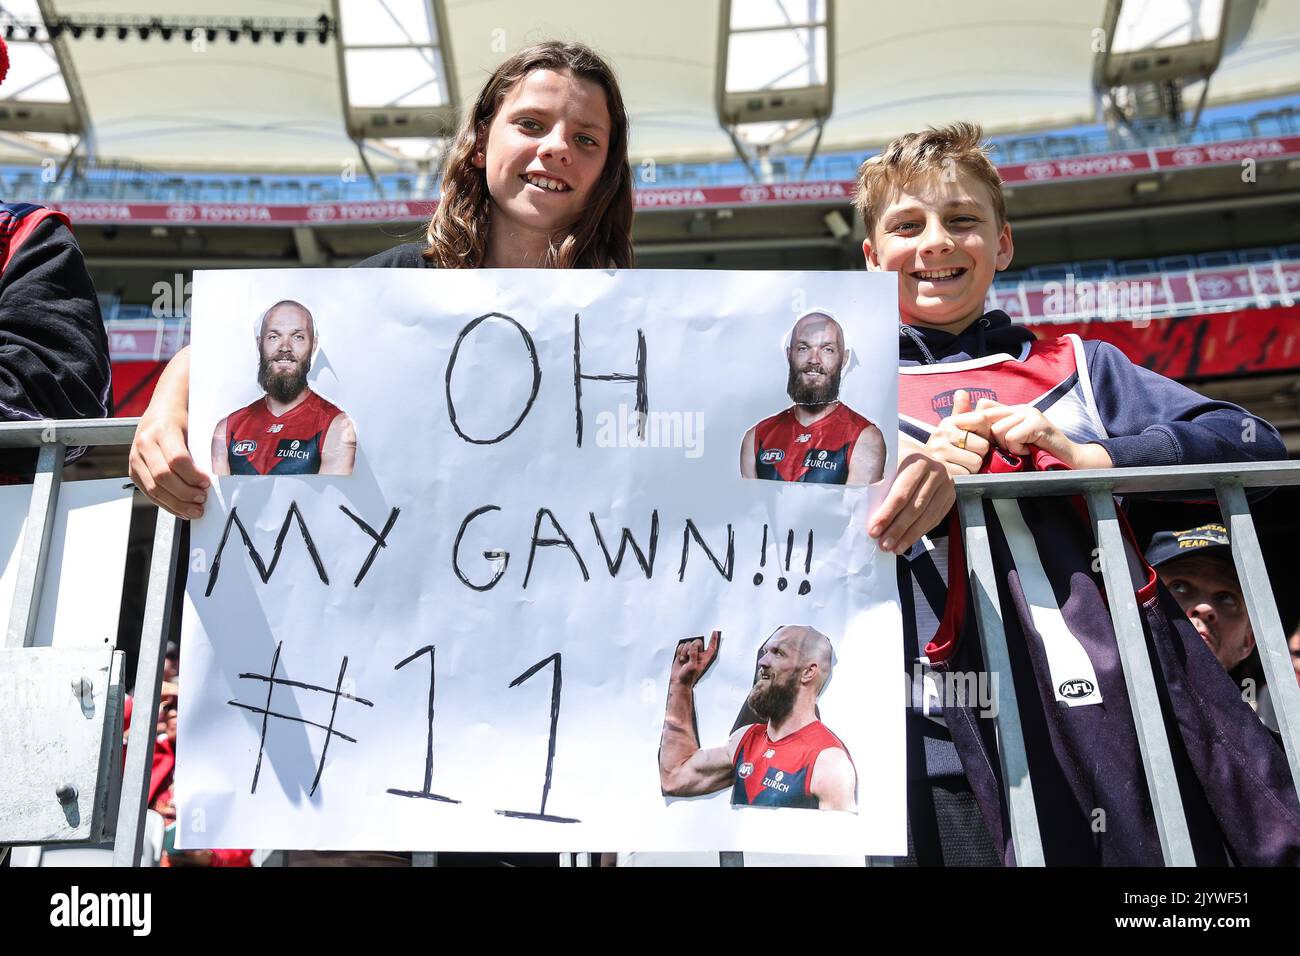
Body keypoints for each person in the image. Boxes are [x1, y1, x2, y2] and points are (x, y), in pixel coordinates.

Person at [856, 122, 1300, 865]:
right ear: (871, 258)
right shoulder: (837, 383)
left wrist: (1092, 455)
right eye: (908, 225)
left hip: (1093, 728)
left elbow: (1250, 440)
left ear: (1002, 245)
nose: (935, 241)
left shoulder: (1080, 368)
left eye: (962, 219)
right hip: (916, 737)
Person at [658, 626, 857, 812]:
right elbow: (674, 777)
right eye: (765, 652)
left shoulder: (828, 763)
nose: (763, 662)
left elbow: (840, 846)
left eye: (778, 653)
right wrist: (681, 684)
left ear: (808, 672)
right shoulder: (745, 740)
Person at [210, 300, 355, 477]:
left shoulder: (336, 426)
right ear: (259, 343)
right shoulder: (227, 429)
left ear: (313, 345)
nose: (285, 347)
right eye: (274, 336)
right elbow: (219, 501)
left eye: (297, 337)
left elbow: (330, 502)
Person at [740, 310, 885, 486]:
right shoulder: (757, 437)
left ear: (844, 359)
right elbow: (752, 510)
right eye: (803, 348)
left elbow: (856, 512)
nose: (814, 360)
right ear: (789, 354)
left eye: (827, 349)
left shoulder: (864, 437)